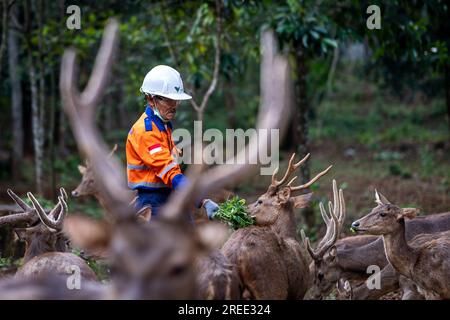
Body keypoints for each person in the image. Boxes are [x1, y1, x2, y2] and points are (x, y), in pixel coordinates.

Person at [126, 65, 219, 219]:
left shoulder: (162, 125)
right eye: (168, 100)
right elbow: (169, 171)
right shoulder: (146, 131)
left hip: (170, 195)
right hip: (153, 203)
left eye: (176, 100)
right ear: (151, 99)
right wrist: (201, 200)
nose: (174, 105)